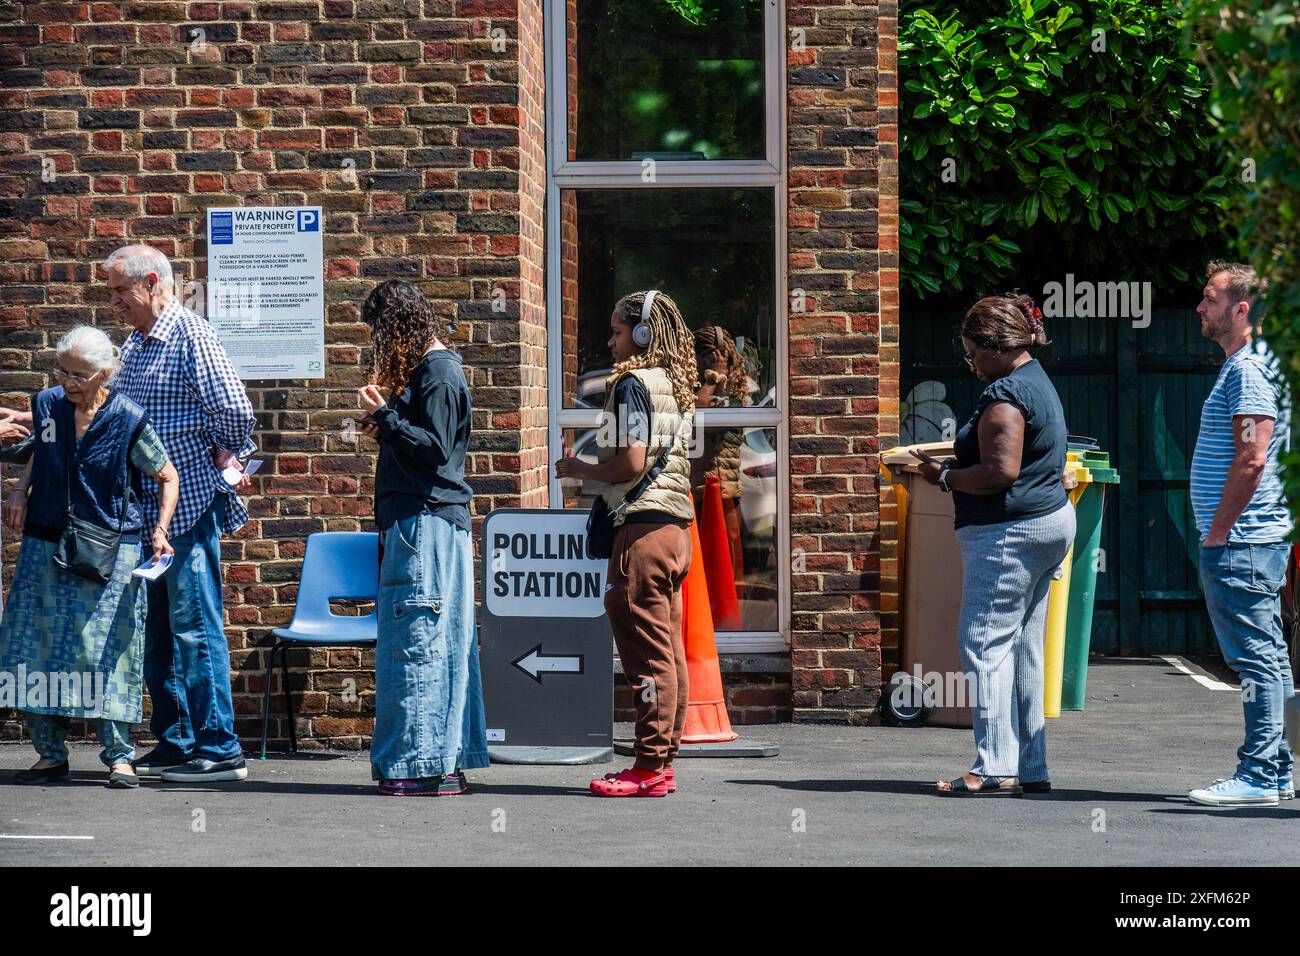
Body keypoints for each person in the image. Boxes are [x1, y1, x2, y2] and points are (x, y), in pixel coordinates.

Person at [0, 326, 177, 788]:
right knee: (36, 644)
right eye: (61, 370)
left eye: (78, 374)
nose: (67, 381)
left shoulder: (127, 417)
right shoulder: (49, 405)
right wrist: (20, 489)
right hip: (46, 539)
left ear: (105, 373)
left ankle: (119, 756)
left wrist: (159, 531)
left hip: (110, 546)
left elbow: (167, 475)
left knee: (109, 649)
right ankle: (50, 754)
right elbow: (46, 447)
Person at [913, 293, 1074, 796]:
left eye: (972, 352)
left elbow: (998, 473)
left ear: (996, 345)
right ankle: (1031, 766)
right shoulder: (1037, 381)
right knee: (1024, 645)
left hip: (1009, 532)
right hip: (1048, 524)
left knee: (983, 642)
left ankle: (993, 765)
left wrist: (944, 475)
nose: (971, 364)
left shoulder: (1005, 395)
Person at [106, 244, 256, 783]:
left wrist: (224, 452)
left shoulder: (190, 334)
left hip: (188, 506)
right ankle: (178, 739)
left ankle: (219, 749)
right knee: (161, 635)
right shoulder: (137, 343)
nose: (115, 301)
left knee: (195, 628)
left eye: (121, 290)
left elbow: (236, 410)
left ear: (151, 282)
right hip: (150, 515)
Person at [556, 289, 697, 798]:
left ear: (641, 333)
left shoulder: (635, 383)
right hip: (676, 531)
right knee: (668, 651)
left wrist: (581, 469)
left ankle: (647, 767)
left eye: (617, 331)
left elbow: (632, 464)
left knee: (646, 657)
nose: (610, 341)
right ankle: (662, 760)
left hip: (641, 533)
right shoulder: (676, 383)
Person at [357, 279, 488, 796]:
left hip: (424, 525)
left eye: (379, 332)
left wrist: (387, 416)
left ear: (398, 327)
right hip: (429, 524)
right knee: (439, 641)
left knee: (416, 641)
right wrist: (387, 427)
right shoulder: (435, 372)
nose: (377, 345)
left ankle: (418, 766)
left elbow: (434, 449)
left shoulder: (438, 372)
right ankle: (441, 761)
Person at [1186, 261, 1294, 808]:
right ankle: (1276, 772)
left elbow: (1252, 459)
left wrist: (1219, 532)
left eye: (1209, 299)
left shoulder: (1248, 371)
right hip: (1252, 537)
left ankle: (1257, 773)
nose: (1201, 309)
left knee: (1255, 657)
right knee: (1268, 654)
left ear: (1240, 310)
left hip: (1243, 539)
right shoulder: (1253, 366)